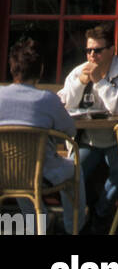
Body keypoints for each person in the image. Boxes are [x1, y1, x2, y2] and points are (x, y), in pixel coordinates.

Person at [58, 24, 118, 235]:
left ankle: (101, 215)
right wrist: (79, 83)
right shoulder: (79, 71)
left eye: (98, 50)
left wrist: (100, 82)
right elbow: (64, 103)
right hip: (89, 139)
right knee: (73, 173)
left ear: (112, 50)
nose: (92, 55)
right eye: (88, 50)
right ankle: (77, 224)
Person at [0, 36, 85, 234]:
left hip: (4, 173)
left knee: (18, 167)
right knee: (74, 169)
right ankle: (74, 227)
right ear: (40, 70)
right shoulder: (47, 99)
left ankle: (39, 224)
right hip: (42, 173)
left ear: (12, 68)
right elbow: (70, 131)